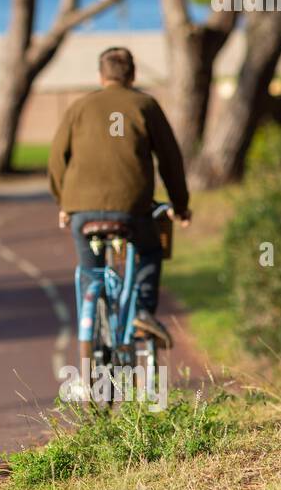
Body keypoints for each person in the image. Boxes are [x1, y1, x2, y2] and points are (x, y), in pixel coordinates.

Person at [48, 46, 191, 370]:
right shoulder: (145, 105)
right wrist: (180, 205)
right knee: (151, 250)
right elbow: (170, 160)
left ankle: (92, 320)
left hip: (81, 211)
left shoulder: (79, 107)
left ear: (101, 76)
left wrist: (63, 202)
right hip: (132, 209)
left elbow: (57, 159)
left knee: (90, 270)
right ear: (133, 75)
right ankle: (141, 311)